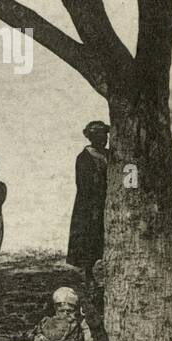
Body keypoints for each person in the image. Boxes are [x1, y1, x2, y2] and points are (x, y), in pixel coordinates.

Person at [67, 121, 109, 286]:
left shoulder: (109, 154)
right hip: (90, 204)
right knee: (90, 238)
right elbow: (84, 185)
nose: (103, 139)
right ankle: (89, 273)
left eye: (105, 135)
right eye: (99, 135)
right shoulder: (84, 157)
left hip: (105, 201)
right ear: (92, 137)